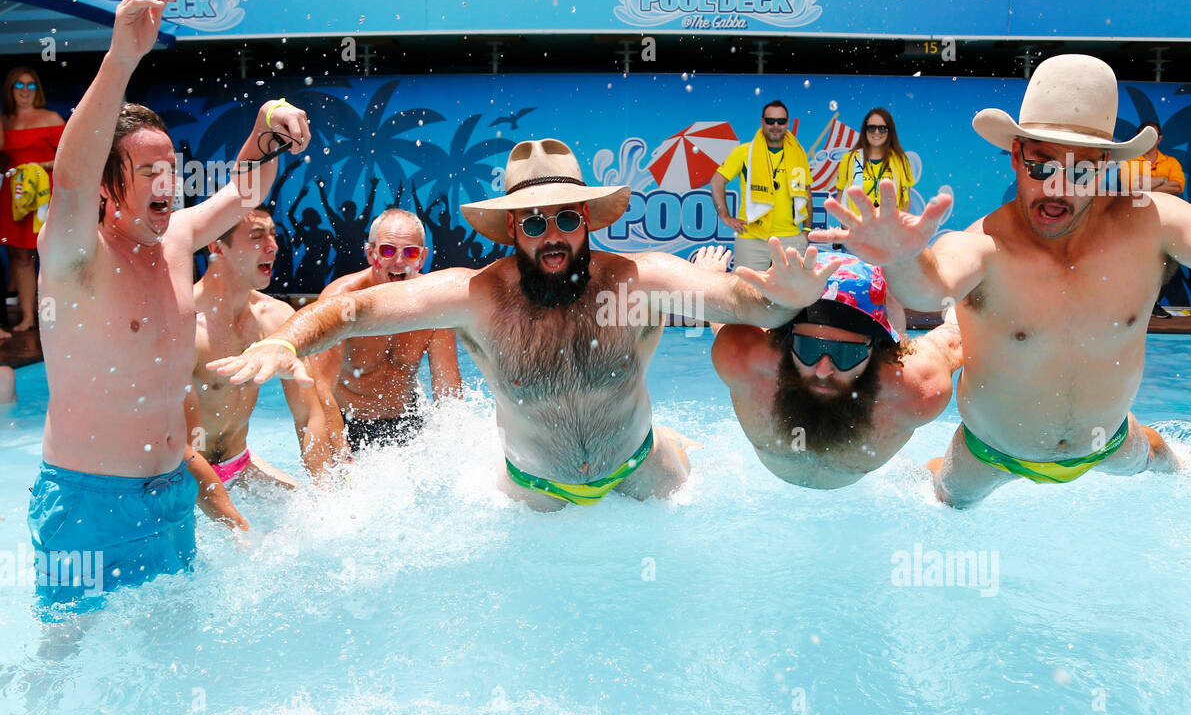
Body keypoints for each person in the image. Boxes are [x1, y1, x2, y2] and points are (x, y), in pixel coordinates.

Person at [210, 138, 835, 511]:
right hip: (535, 500)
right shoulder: (478, 296)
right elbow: (357, 311)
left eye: (567, 218)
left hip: (646, 479)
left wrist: (790, 298)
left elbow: (745, 304)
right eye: (534, 224)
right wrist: (284, 338)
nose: (553, 236)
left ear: (589, 219)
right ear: (513, 231)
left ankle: (675, 437)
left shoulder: (639, 281)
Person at [812, 54, 1191, 507]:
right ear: (1016, 155)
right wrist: (901, 257)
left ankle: (1172, 456)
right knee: (943, 499)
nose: (1056, 188)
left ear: (1106, 166)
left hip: (1105, 442)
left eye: (1080, 170)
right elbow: (926, 289)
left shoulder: (1153, 224)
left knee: (1162, 461)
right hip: (991, 451)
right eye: (1041, 164)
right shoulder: (985, 245)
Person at [30, 0, 310, 603]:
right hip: (87, 502)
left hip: (172, 493)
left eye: (172, 168)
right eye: (147, 171)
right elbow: (70, 177)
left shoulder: (179, 237)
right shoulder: (76, 255)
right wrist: (122, 55)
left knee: (171, 654)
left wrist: (270, 126)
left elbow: (246, 189)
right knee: (68, 669)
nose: (167, 183)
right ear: (107, 187)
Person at [698, 245, 962, 488]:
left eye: (846, 354)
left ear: (877, 350)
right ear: (786, 339)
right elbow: (722, 313)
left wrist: (968, 287)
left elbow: (955, 335)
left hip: (879, 479)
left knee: (939, 483)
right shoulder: (744, 359)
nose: (824, 370)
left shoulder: (916, 387)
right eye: (810, 349)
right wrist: (708, 280)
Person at [190, 208, 339, 524]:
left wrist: (325, 495)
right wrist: (236, 525)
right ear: (216, 246)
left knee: (335, 520)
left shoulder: (276, 318)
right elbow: (171, 443)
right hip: (182, 480)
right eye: (257, 237)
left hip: (238, 465)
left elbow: (308, 414)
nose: (273, 246)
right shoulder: (183, 324)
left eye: (272, 234)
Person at [312, 208, 463, 454]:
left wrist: (454, 451)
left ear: (422, 258)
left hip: (408, 422)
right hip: (348, 425)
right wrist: (341, 453)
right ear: (370, 253)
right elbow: (320, 388)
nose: (399, 262)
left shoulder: (435, 307)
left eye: (410, 252)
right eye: (388, 250)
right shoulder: (342, 301)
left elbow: (448, 393)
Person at [711, 100, 813, 274]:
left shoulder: (798, 152)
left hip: (791, 238)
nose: (775, 125)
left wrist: (807, 230)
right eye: (770, 121)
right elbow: (716, 182)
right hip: (752, 238)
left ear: (787, 123)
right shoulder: (744, 152)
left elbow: (806, 192)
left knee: (792, 297)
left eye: (780, 121)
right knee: (745, 294)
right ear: (762, 122)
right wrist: (725, 216)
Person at [2, 67, 65, 334]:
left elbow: (70, 156)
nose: (25, 92)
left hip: (44, 195)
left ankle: (60, 317)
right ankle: (28, 317)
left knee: (53, 256)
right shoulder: (4, 122)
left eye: (30, 86)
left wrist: (41, 165)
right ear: (10, 89)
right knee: (21, 258)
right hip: (13, 196)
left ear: (37, 91)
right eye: (19, 86)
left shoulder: (51, 117)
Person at [834, 107, 913, 216]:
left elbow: (906, 201)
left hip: (888, 228)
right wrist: (850, 228)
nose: (876, 132)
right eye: (871, 128)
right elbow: (840, 198)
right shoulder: (850, 158)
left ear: (889, 131)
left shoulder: (900, 160)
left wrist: (895, 228)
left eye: (882, 128)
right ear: (865, 130)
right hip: (857, 228)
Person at [1122, 121, 1184, 197]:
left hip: (1164, 208)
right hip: (1136, 207)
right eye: (1143, 136)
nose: (1147, 140)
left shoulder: (1172, 162)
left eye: (1151, 136)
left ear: (1159, 139)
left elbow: (1177, 186)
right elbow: (1134, 185)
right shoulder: (1128, 161)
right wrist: (1163, 179)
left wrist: (1144, 188)